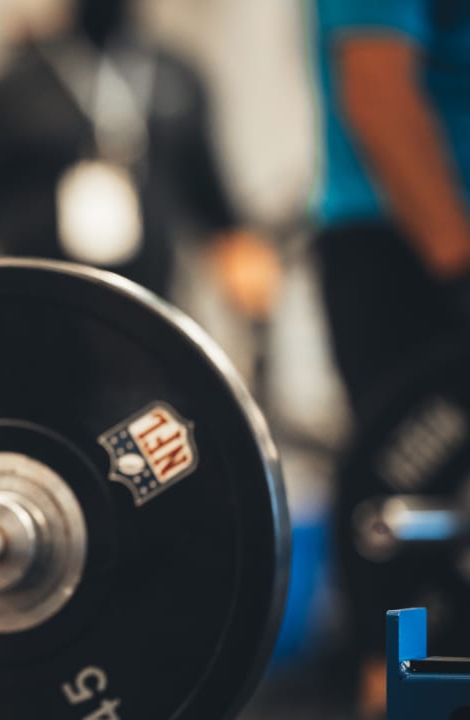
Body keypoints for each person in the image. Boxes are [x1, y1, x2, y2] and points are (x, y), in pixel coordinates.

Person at [310, 0, 470, 715]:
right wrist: (459, 270)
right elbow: (376, 83)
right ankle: (392, 696)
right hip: (409, 249)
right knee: (406, 546)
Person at [0, 0, 279, 318]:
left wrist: (246, 263)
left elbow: (215, 202)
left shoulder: (176, 79)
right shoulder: (16, 84)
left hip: (150, 312)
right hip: (33, 311)